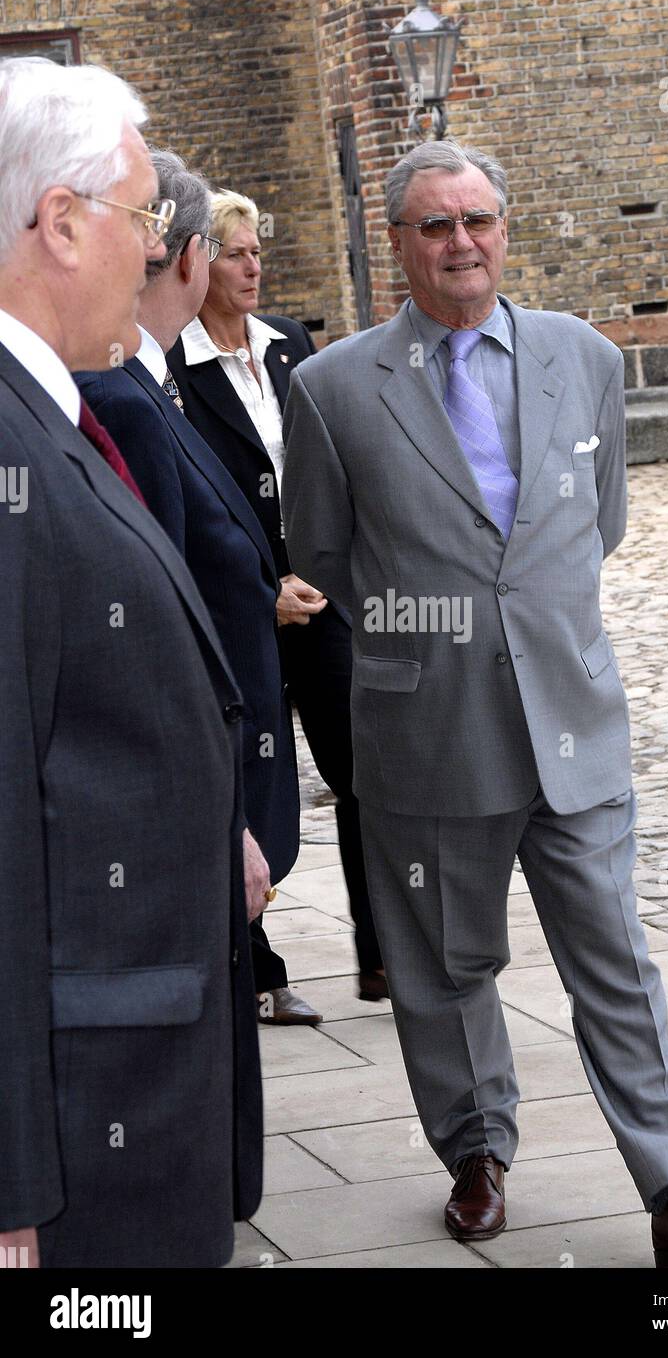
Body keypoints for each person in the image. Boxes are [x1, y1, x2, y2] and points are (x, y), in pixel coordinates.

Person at [281, 138, 668, 1268]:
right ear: (398, 242)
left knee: (618, 961)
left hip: (572, 722)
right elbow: (325, 554)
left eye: (480, 220)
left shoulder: (581, 355)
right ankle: (475, 1155)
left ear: (505, 227)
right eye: (437, 225)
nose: (463, 243)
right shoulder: (332, 386)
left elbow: (601, 523)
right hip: (425, 725)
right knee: (448, 965)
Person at [0, 57, 263, 1267]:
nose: (161, 252)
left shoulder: (59, 411)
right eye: (144, 217)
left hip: (136, 1061)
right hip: (80, 1127)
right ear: (59, 223)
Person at [75, 152, 319, 1029]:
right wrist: (225, 824)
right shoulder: (130, 395)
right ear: (188, 258)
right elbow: (160, 621)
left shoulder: (152, 382)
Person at [167, 189, 386, 1002]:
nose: (253, 266)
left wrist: (327, 569)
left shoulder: (292, 345)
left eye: (258, 251)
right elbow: (190, 500)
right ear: (197, 260)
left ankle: (381, 948)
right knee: (251, 782)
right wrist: (258, 589)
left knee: (364, 769)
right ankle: (258, 968)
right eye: (234, 253)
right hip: (238, 605)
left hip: (321, 594)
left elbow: (330, 467)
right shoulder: (171, 368)